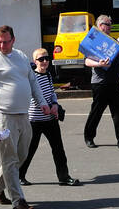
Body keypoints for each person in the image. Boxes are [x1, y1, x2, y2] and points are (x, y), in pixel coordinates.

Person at [0, 24, 49, 209]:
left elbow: (32, 81)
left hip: (23, 114)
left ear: (13, 40)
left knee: (22, 155)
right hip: (2, 116)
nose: (2, 46)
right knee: (9, 159)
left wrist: (42, 101)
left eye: (5, 42)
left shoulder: (21, 56)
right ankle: (18, 201)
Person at [19, 47, 81, 186]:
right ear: (35, 61)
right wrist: (44, 106)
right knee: (29, 150)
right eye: (41, 59)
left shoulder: (48, 75)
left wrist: (54, 104)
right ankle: (20, 176)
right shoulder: (31, 77)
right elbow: (32, 96)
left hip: (50, 119)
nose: (45, 61)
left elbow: (52, 93)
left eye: (47, 58)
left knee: (58, 148)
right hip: (34, 120)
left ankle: (64, 177)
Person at [83, 14, 119, 149]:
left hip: (115, 82)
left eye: (110, 24)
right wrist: (99, 64)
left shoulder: (114, 41)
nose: (110, 27)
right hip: (100, 83)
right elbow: (87, 61)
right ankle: (89, 137)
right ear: (101, 26)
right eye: (108, 24)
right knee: (96, 112)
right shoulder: (92, 40)